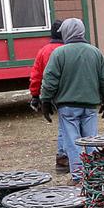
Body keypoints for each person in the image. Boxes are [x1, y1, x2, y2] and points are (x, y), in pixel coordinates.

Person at [38, 18, 104, 183]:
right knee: (92, 140)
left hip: (67, 107)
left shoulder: (59, 53)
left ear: (65, 33)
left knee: (73, 143)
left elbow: (49, 79)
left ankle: (79, 177)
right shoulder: (95, 52)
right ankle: (94, 175)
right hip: (90, 105)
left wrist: (45, 101)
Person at [28, 19, 69, 173]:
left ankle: (64, 158)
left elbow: (36, 75)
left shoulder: (43, 51)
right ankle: (63, 157)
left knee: (64, 124)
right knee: (67, 126)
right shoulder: (68, 49)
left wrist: (35, 95)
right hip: (68, 92)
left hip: (52, 93)